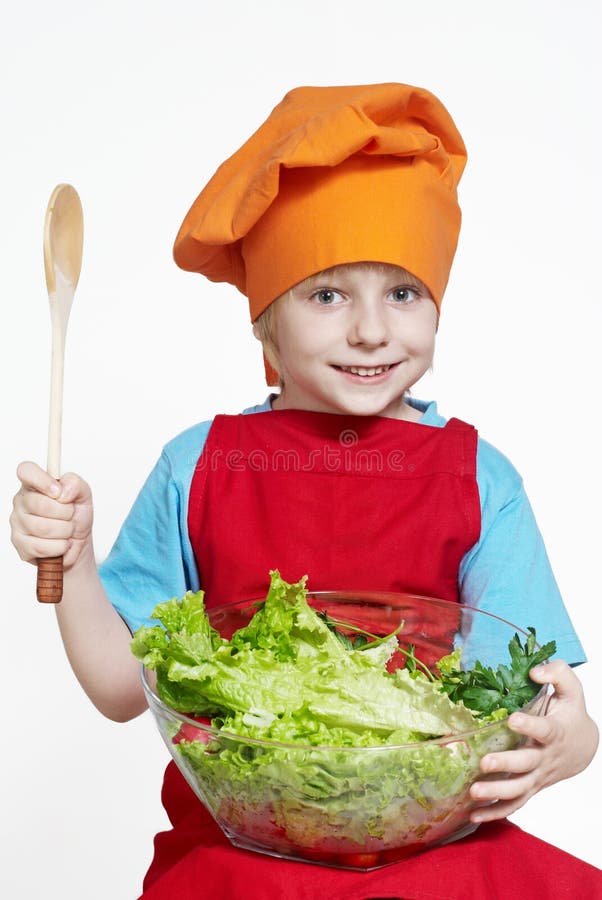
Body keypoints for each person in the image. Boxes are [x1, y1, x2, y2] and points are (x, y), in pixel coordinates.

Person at [10, 83, 600, 898]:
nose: (371, 330)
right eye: (327, 294)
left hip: (437, 847)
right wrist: (72, 560)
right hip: (244, 851)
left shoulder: (479, 478)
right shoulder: (198, 466)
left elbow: (537, 703)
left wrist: (573, 742)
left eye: (403, 292)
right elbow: (121, 687)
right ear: (265, 320)